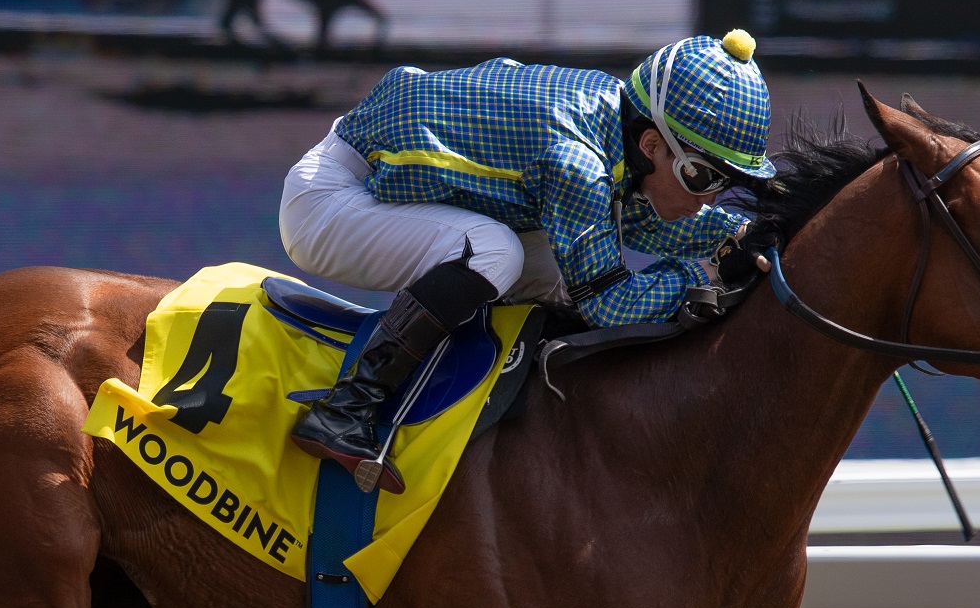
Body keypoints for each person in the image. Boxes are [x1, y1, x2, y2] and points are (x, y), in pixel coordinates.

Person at [278, 30, 774, 493]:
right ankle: (346, 409)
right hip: (329, 200)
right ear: (650, 145)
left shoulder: (613, 117)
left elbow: (636, 224)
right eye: (704, 178)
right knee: (499, 252)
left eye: (725, 184)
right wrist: (708, 270)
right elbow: (609, 304)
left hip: (365, 169)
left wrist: (739, 231)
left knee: (541, 264)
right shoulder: (577, 163)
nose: (710, 199)